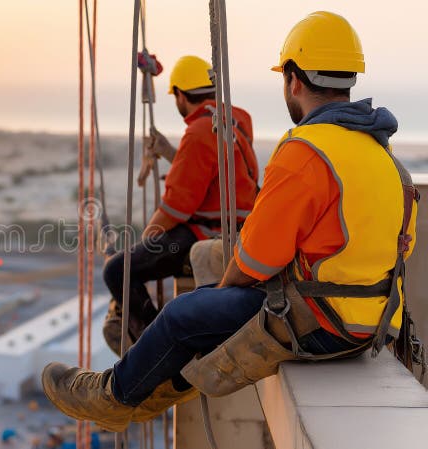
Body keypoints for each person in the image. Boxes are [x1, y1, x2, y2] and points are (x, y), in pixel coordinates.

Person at [42, 11, 417, 432]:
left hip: (322, 324)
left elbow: (254, 261)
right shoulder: (382, 155)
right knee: (207, 302)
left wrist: (215, 298)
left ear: (293, 79)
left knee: (185, 314)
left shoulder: (306, 150)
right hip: (374, 323)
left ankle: (115, 397)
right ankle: (156, 382)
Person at [101, 55, 259, 355]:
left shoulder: (199, 131)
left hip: (207, 234)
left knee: (117, 271)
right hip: (240, 224)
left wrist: (149, 237)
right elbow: (217, 171)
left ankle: (152, 343)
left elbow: (176, 208)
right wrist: (170, 152)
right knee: (133, 261)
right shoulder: (237, 119)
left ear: (182, 96)